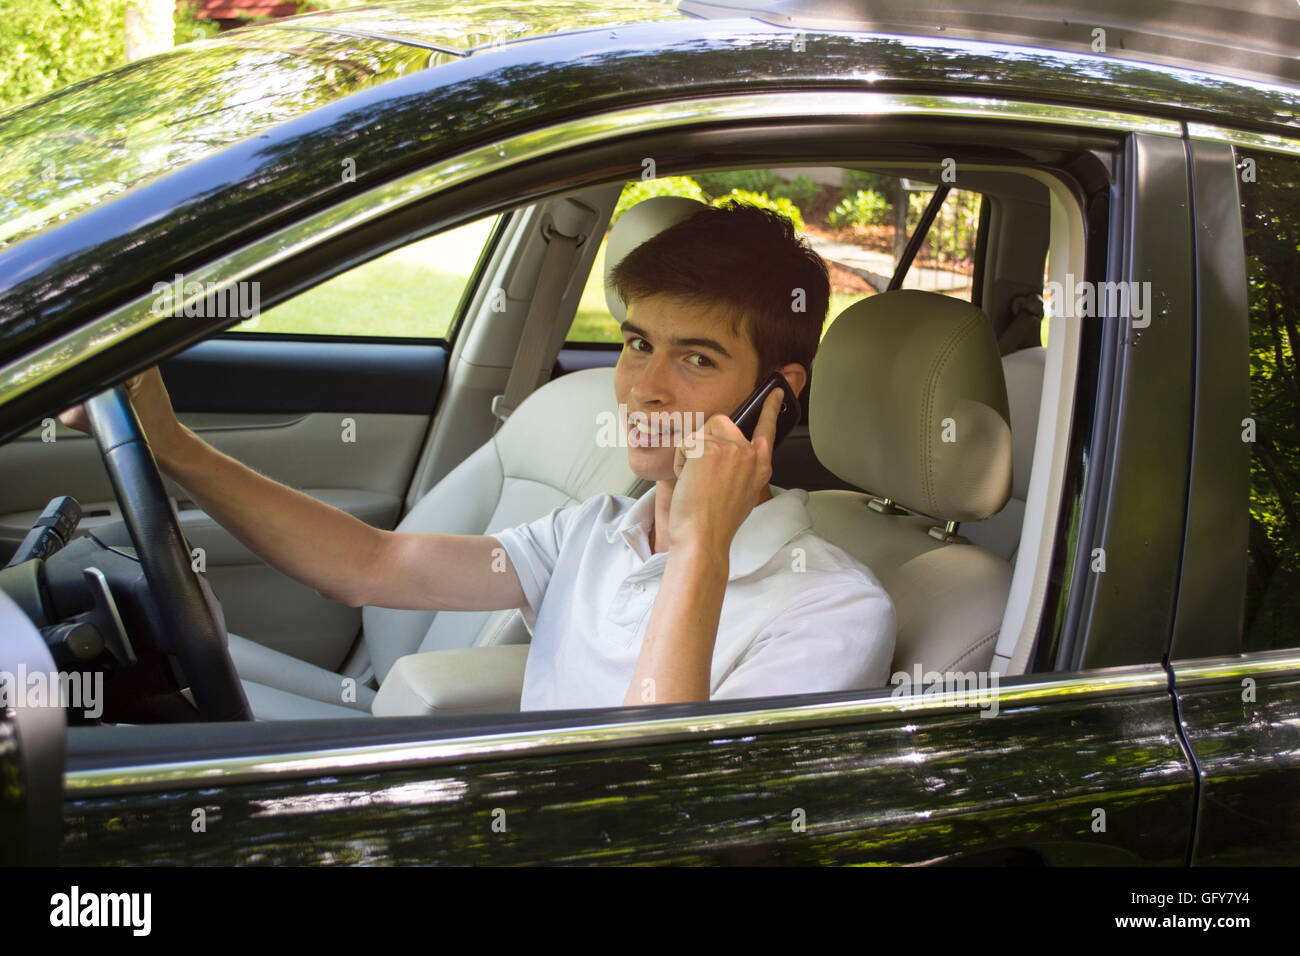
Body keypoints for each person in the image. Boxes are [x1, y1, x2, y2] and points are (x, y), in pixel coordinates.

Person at [60, 200, 895, 711]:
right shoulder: (598, 529)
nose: (643, 388)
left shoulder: (830, 611)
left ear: (777, 393)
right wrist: (170, 446)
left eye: (698, 359)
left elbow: (667, 800)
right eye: (638, 343)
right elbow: (371, 564)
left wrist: (704, 551)